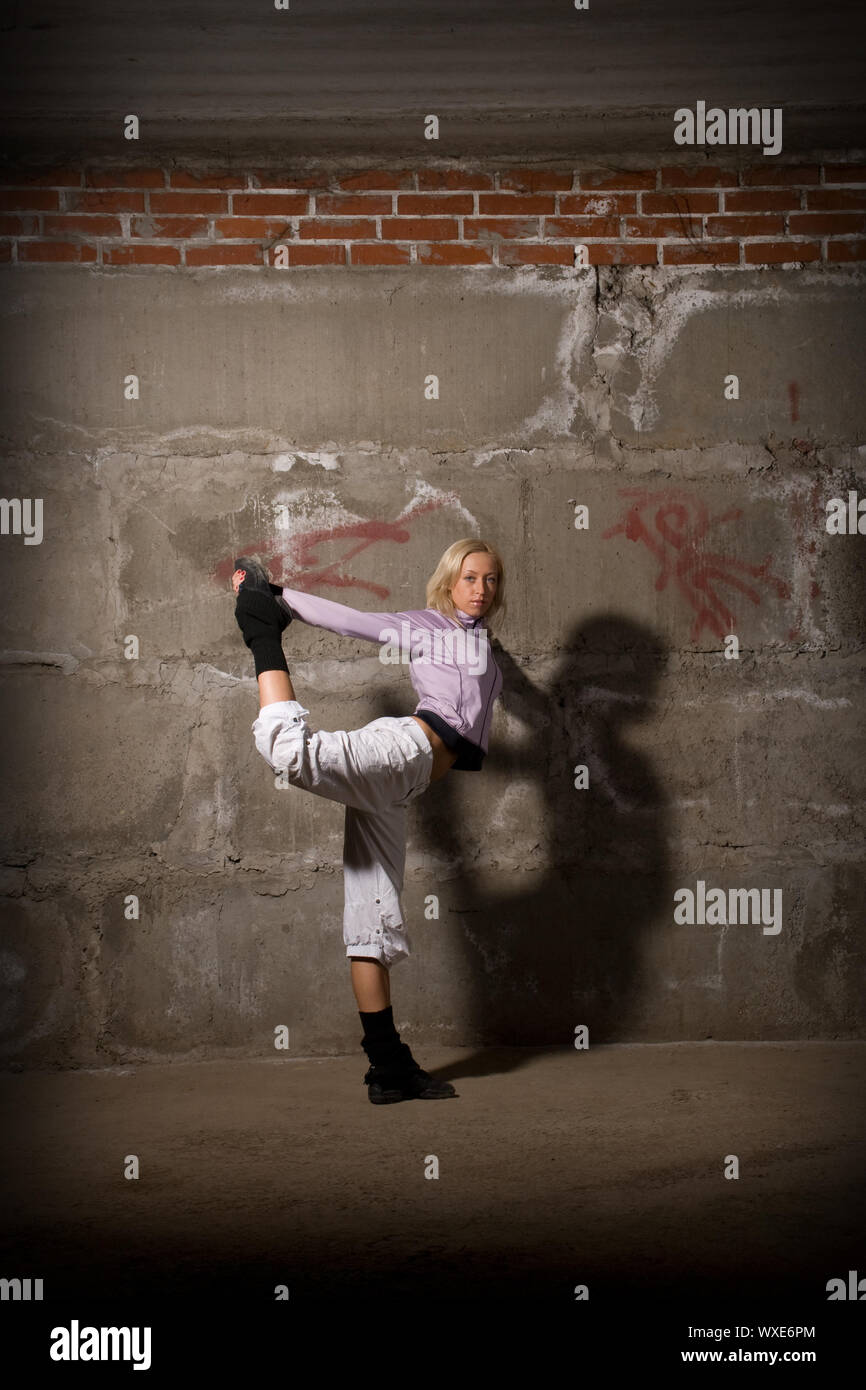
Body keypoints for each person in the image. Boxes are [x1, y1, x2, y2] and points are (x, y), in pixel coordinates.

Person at [231, 538, 505, 1104]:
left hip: (398, 790)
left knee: (371, 921)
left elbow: (484, 700)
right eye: (470, 578)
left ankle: (388, 1069)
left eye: (491, 580)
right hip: (404, 749)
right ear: (449, 581)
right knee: (292, 754)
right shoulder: (429, 626)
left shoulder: (486, 649)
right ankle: (260, 627)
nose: (481, 590)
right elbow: (357, 622)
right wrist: (277, 597)